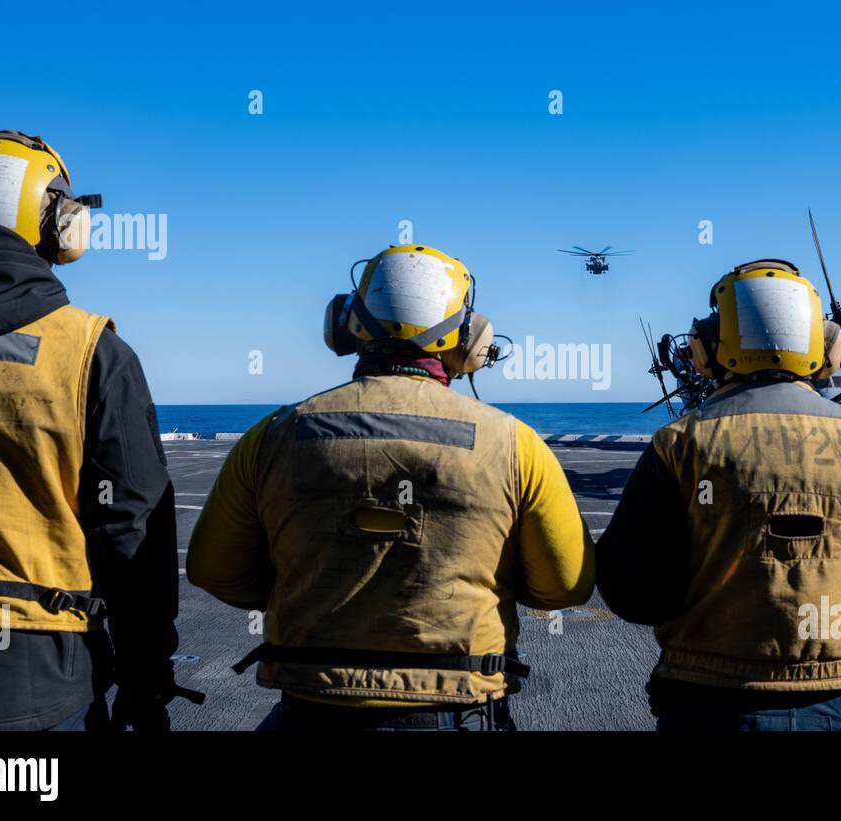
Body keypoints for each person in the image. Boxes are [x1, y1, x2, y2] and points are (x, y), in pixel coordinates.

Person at [187, 243, 594, 731]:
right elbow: (566, 585)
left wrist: (308, 589)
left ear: (344, 325)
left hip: (311, 709)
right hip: (458, 708)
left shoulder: (273, 435)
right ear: (468, 339)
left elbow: (214, 569)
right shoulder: (514, 444)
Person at [0, 131, 190, 730]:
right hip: (32, 681)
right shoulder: (93, 355)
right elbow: (131, 536)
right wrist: (145, 685)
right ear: (62, 223)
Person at [597, 259, 841, 731]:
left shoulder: (680, 445)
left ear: (705, 350)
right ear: (827, 351)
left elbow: (631, 593)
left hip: (711, 703)